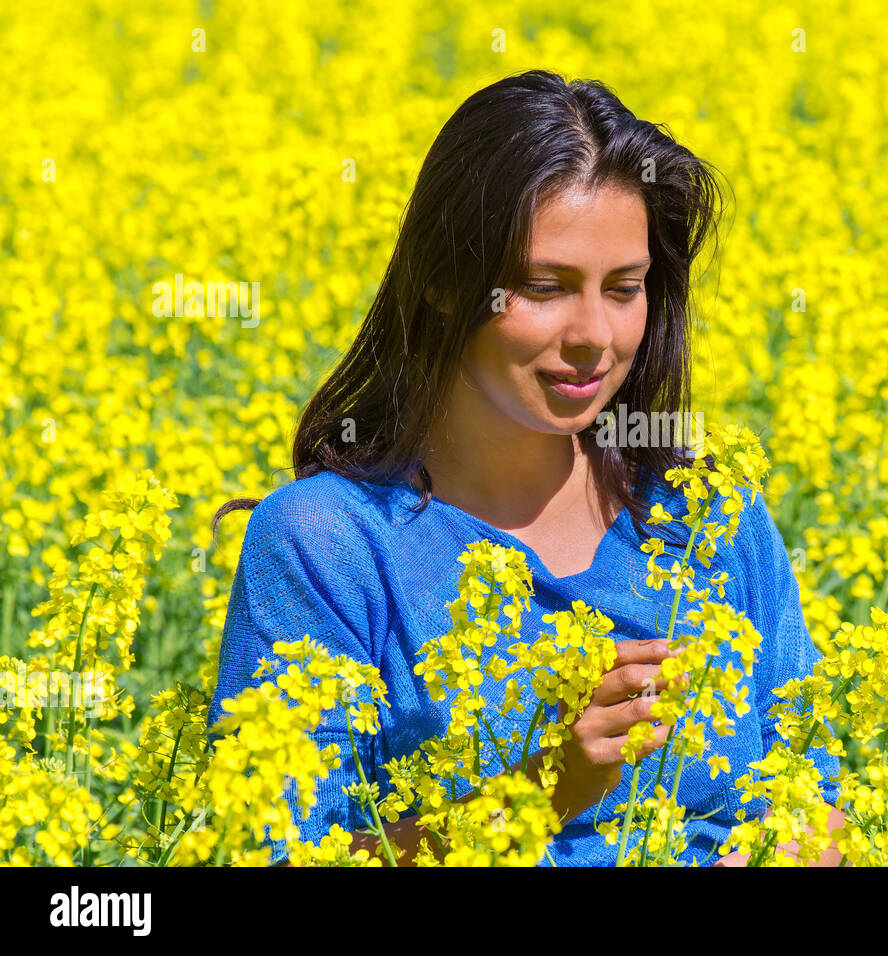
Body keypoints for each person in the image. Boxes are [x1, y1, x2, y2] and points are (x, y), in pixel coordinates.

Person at [207, 68, 844, 866]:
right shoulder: (327, 545)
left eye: (625, 288)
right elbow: (276, 853)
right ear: (444, 282)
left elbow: (819, 790)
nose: (594, 335)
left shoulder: (709, 514)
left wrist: (796, 847)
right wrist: (547, 787)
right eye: (545, 287)